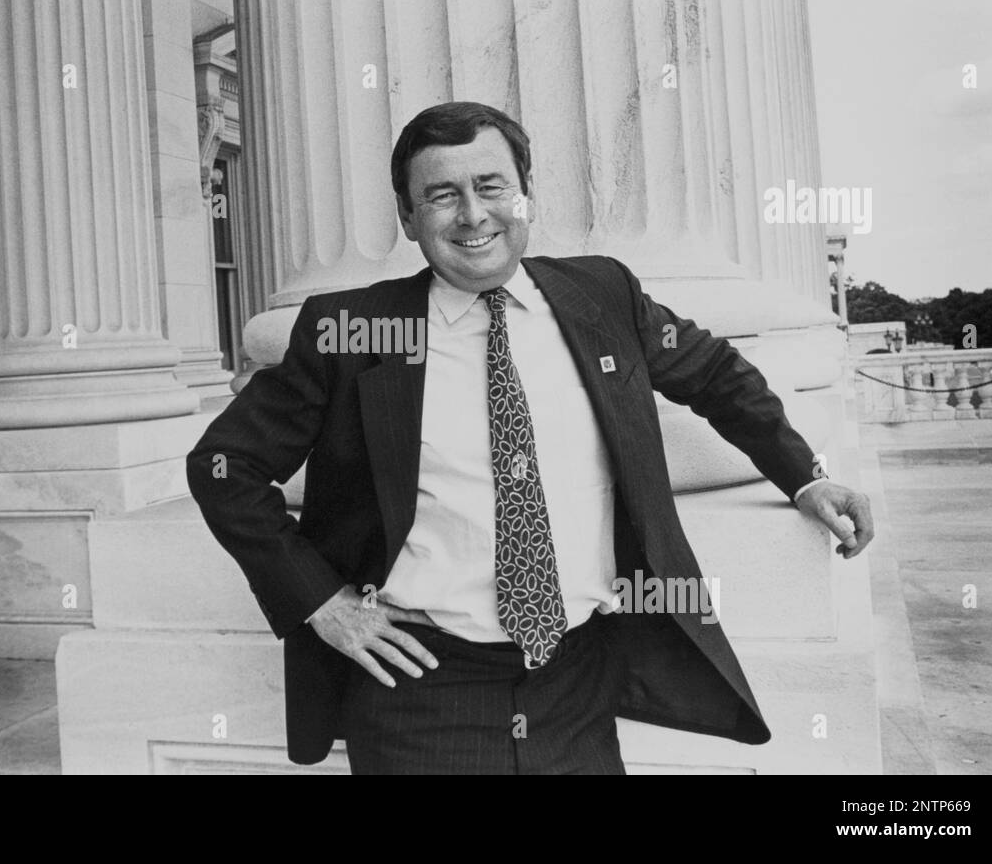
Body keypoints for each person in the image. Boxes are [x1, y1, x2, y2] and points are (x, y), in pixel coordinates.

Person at [186, 101, 874, 774]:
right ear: (408, 217)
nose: (472, 214)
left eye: (491, 186)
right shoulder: (350, 330)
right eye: (441, 195)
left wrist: (805, 475)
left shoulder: (601, 295)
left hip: (575, 682)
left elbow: (718, 375)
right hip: (420, 691)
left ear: (525, 196)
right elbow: (224, 465)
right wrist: (320, 602)